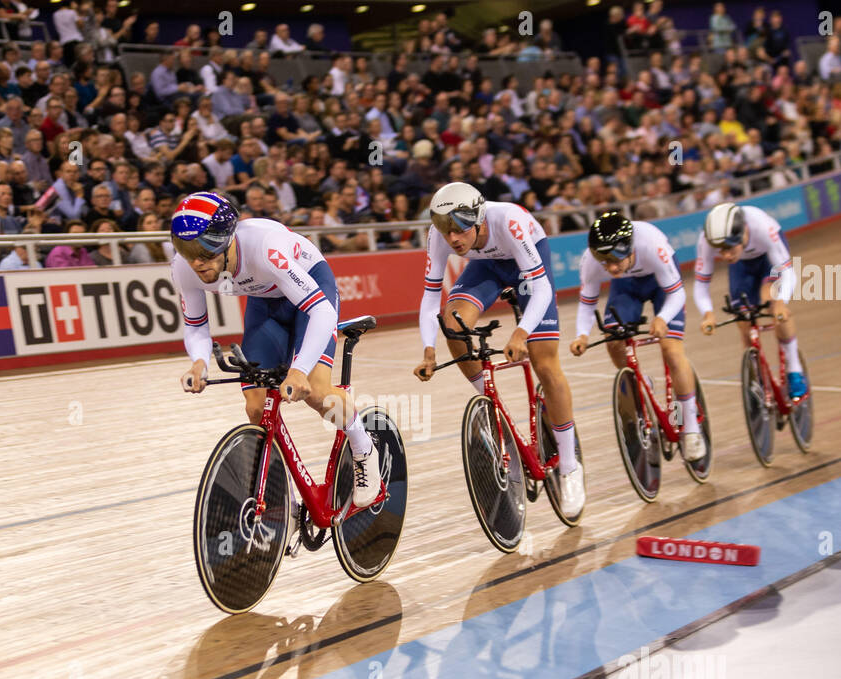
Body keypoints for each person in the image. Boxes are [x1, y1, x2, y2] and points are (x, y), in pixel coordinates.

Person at [173, 191, 381, 509]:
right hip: (266, 300)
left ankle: (363, 446)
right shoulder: (185, 267)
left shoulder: (266, 248)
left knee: (317, 393)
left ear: (227, 238)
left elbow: (322, 313)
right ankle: (280, 496)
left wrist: (298, 371)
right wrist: (198, 363)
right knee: (256, 407)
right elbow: (195, 325)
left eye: (203, 249)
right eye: (186, 249)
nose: (196, 260)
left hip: (311, 289)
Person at [411, 181, 584, 517]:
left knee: (544, 364)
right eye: (446, 234)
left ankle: (568, 465)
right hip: (487, 269)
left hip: (529, 270)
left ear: (478, 220)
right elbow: (432, 296)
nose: (453, 240)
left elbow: (542, 289)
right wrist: (428, 350)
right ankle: (493, 406)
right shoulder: (440, 236)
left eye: (459, 231)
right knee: (454, 323)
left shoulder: (509, 221)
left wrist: (521, 333)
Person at [570, 210, 707, 462]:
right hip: (627, 288)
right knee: (613, 341)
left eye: (615, 260)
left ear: (629, 248)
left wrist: (662, 318)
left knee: (672, 351)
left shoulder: (652, 246)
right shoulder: (592, 260)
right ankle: (641, 380)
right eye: (605, 262)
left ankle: (690, 428)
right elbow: (587, 302)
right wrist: (582, 335)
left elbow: (677, 294)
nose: (610, 267)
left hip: (662, 285)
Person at [694, 202, 806, 398]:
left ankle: (794, 369)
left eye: (729, 248)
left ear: (742, 233)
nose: (725, 255)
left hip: (769, 260)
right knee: (743, 319)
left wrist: (781, 302)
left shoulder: (762, 228)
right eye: (720, 250)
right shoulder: (706, 239)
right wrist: (708, 314)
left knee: (770, 300)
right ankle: (757, 377)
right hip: (743, 266)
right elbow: (701, 284)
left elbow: (788, 273)